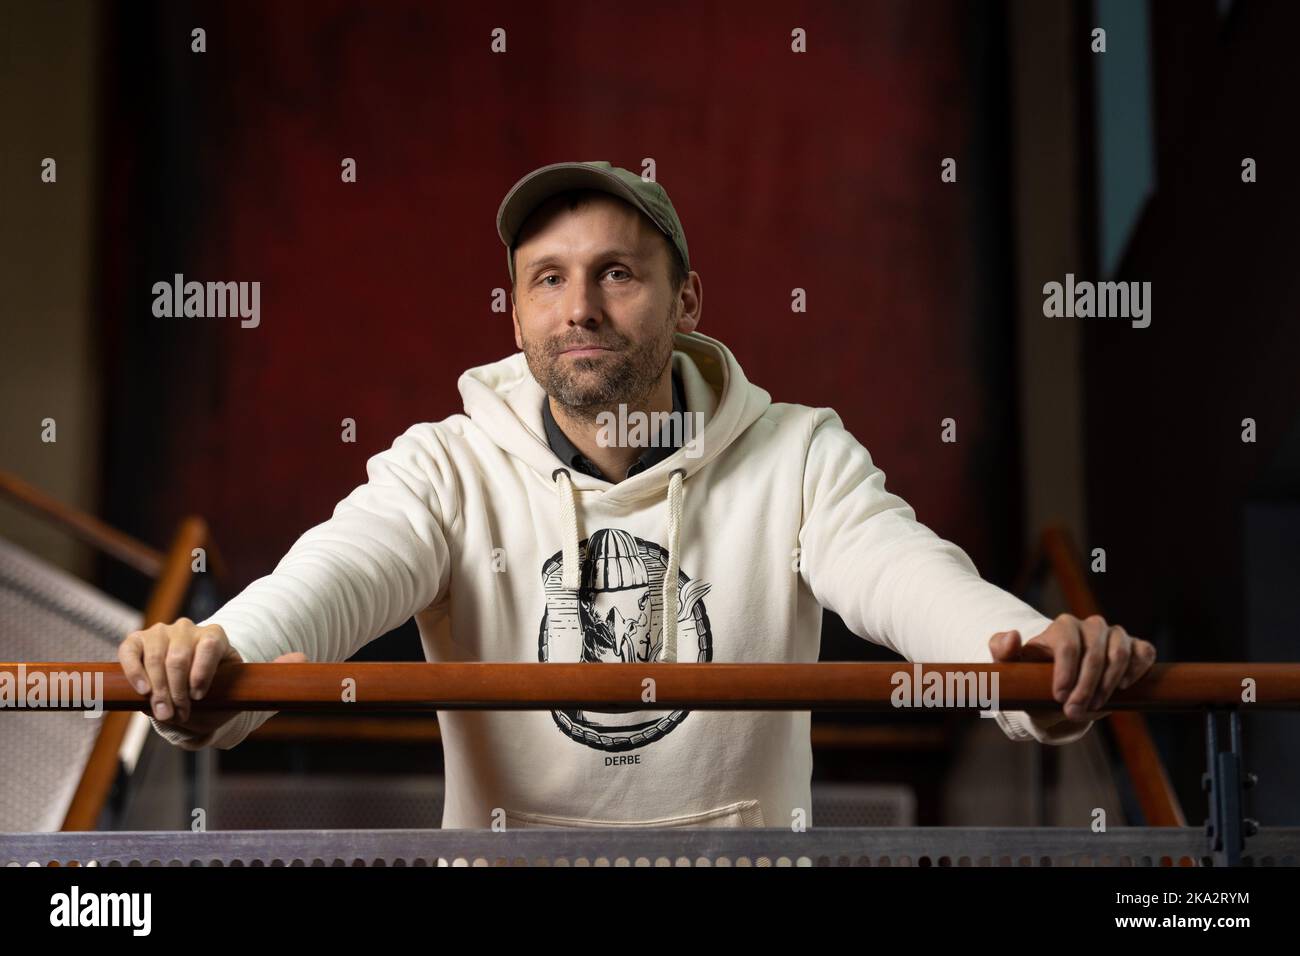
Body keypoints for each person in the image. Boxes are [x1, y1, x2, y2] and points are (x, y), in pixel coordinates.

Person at [123, 160, 1156, 829]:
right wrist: (216, 655)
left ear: (686, 299)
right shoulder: (444, 466)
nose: (580, 307)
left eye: (617, 272)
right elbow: (332, 575)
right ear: (517, 310)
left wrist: (1027, 656)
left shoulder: (796, 454)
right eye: (547, 277)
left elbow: (906, 576)